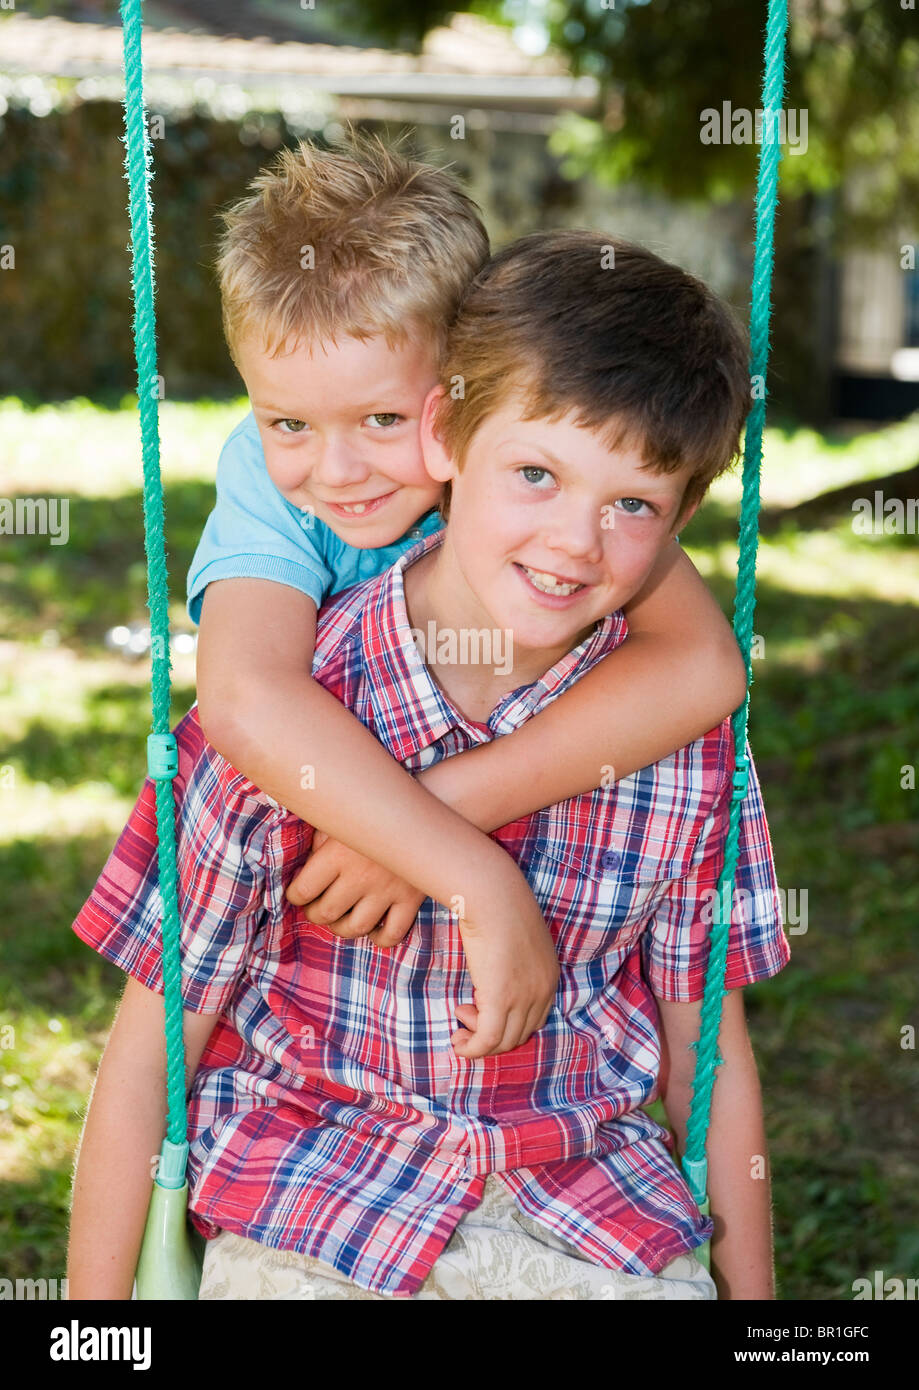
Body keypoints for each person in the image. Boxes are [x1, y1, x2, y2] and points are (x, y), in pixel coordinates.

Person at [68, 228, 791, 1301]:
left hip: (584, 1214)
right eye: (535, 473)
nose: (575, 543)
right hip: (315, 1202)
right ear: (447, 435)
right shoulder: (291, 710)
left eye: (632, 504)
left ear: (682, 520)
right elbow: (154, 1054)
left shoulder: (681, 752)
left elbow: (709, 1057)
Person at [184, 135, 749, 1059]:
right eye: (288, 420)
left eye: (382, 419)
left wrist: (439, 813)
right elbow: (247, 695)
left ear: (463, 388)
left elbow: (702, 667)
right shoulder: (267, 478)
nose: (337, 470)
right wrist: (464, 873)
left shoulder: (532, 475)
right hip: (298, 896)